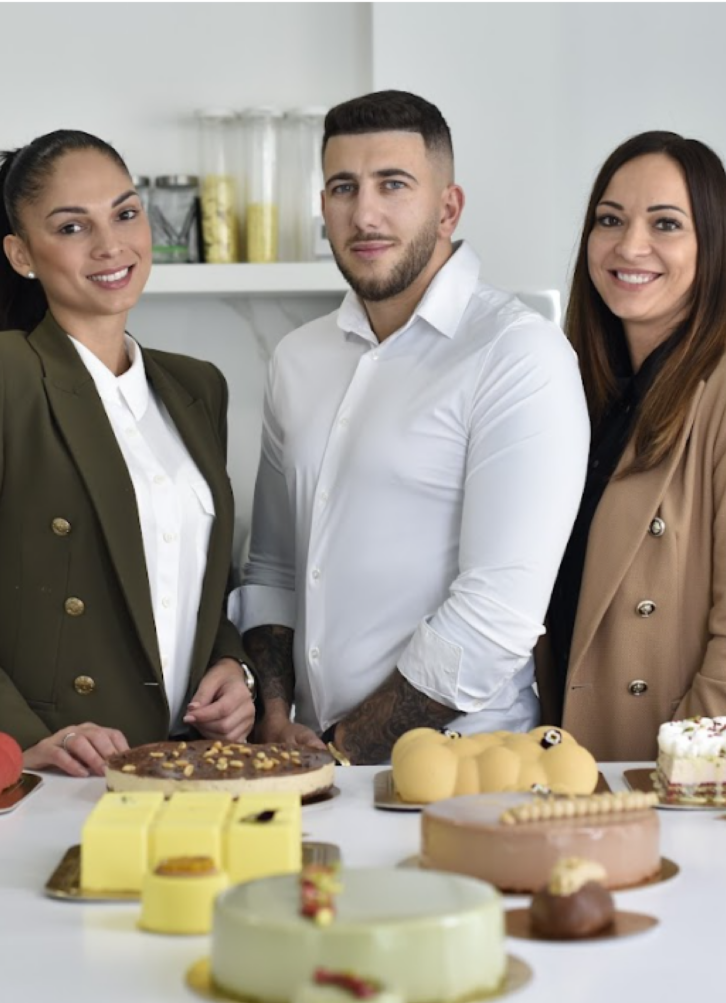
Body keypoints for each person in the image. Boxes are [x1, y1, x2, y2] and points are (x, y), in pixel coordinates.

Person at [233, 90, 589, 764]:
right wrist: (277, 718)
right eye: (344, 187)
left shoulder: (519, 354)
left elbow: (496, 615)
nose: (364, 213)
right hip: (306, 761)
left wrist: (344, 748)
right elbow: (274, 566)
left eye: (392, 185)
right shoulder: (297, 359)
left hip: (467, 767)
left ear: (448, 207)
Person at [0, 129, 255, 777]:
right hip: (65, 771)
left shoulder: (197, 386)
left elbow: (200, 580)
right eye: (71, 227)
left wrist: (232, 667)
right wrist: (21, 740)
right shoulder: (9, 379)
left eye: (125, 213)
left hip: (190, 762)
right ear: (22, 254)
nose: (111, 245)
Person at [539, 130, 726, 761]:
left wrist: (678, 779)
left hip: (670, 783)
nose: (629, 245)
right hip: (566, 763)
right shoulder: (576, 390)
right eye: (609, 220)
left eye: (666, 223)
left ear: (714, 246)